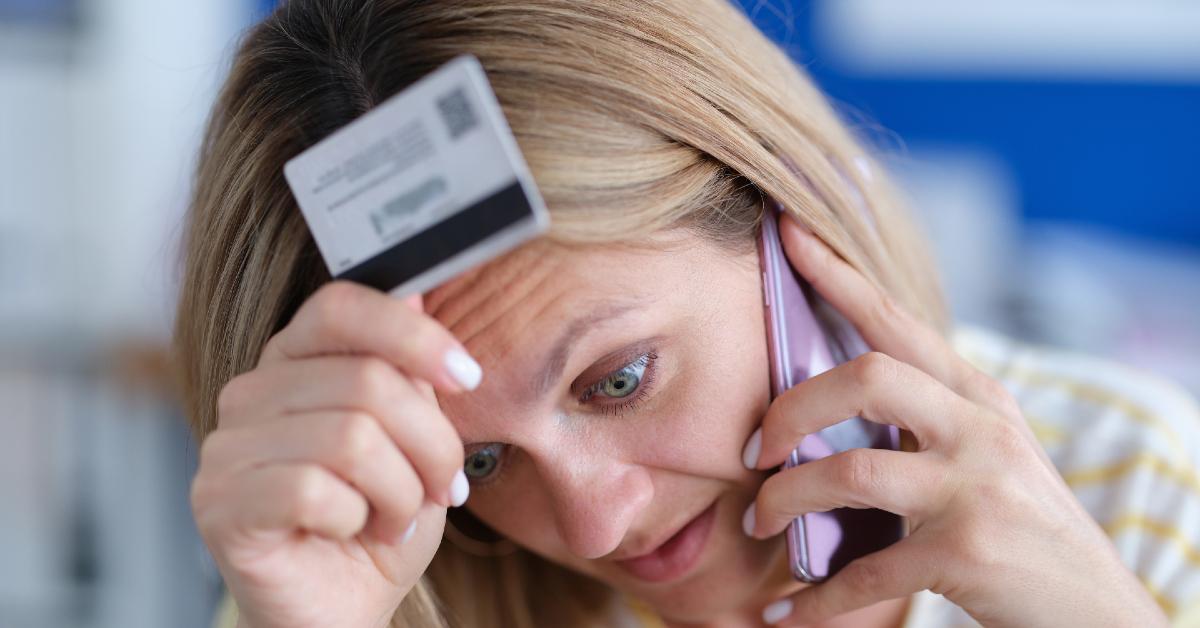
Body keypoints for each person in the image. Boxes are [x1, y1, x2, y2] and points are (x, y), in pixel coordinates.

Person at [173, 1, 1200, 626]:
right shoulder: (362, 570)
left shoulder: (1139, 485)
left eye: (618, 378)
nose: (592, 522)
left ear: (793, 215)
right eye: (478, 463)